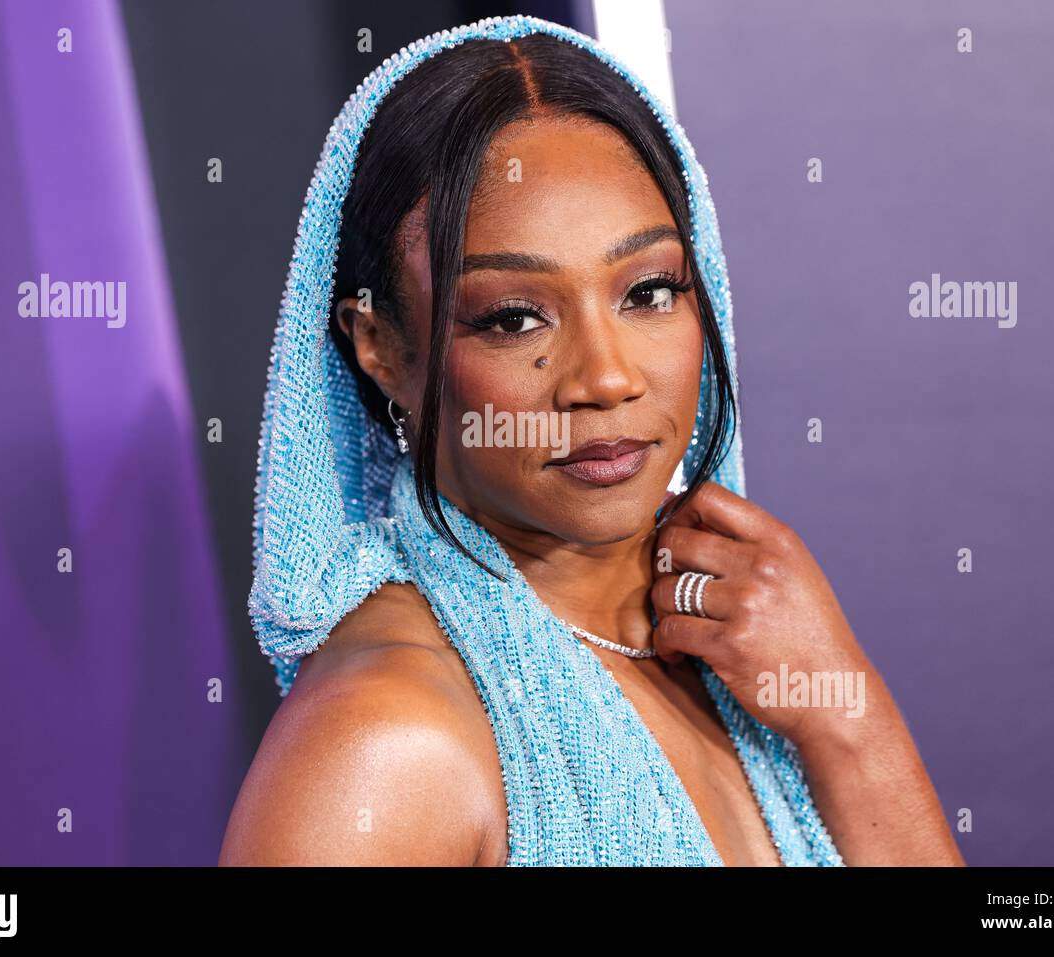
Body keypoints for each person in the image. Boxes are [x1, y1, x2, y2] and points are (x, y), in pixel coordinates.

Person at [219, 15, 964, 867]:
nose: (605, 378)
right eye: (513, 316)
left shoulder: (752, 650)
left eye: (648, 291)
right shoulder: (384, 742)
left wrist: (850, 719)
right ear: (381, 346)